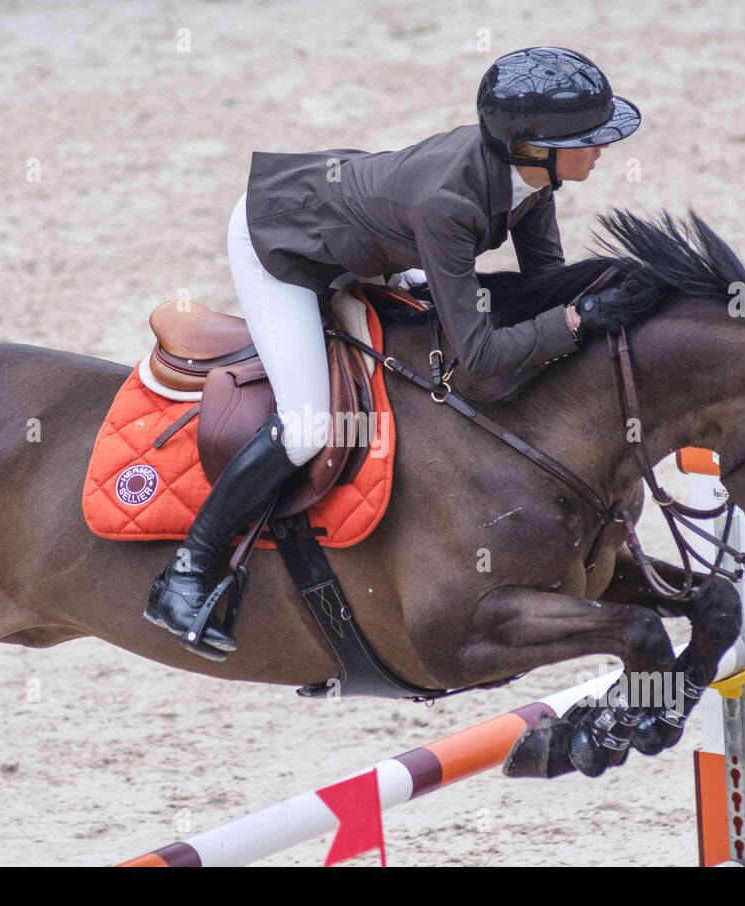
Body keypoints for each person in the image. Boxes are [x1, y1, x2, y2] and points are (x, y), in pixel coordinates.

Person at [145, 46, 642, 660]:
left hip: (373, 236)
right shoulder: (450, 204)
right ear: (533, 146)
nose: (602, 149)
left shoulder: (533, 178)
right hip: (282, 243)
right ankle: (187, 572)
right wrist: (573, 321)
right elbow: (479, 355)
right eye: (587, 140)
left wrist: (586, 310)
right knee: (307, 426)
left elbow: (546, 281)